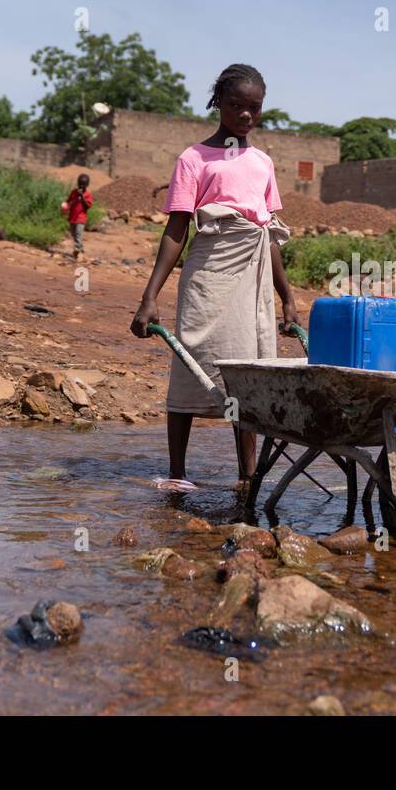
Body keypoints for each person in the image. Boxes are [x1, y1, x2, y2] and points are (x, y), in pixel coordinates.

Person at [130, 63, 299, 492]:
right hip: (209, 273)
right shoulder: (193, 158)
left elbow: (269, 233)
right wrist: (149, 297)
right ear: (218, 103)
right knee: (192, 357)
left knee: (250, 370)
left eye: (254, 108)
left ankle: (247, 474)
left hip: (254, 275)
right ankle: (177, 471)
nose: (245, 115)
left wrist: (287, 297)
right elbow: (176, 229)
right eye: (236, 105)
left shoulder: (263, 163)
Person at [61, 174, 93, 259]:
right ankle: (81, 249)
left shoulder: (88, 194)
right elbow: (68, 201)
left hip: (81, 218)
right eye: (80, 184)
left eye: (83, 184)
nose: (81, 186)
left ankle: (77, 249)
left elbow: (88, 206)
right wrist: (65, 206)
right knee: (73, 234)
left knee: (78, 234)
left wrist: (82, 197)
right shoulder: (74, 192)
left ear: (87, 185)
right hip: (72, 217)